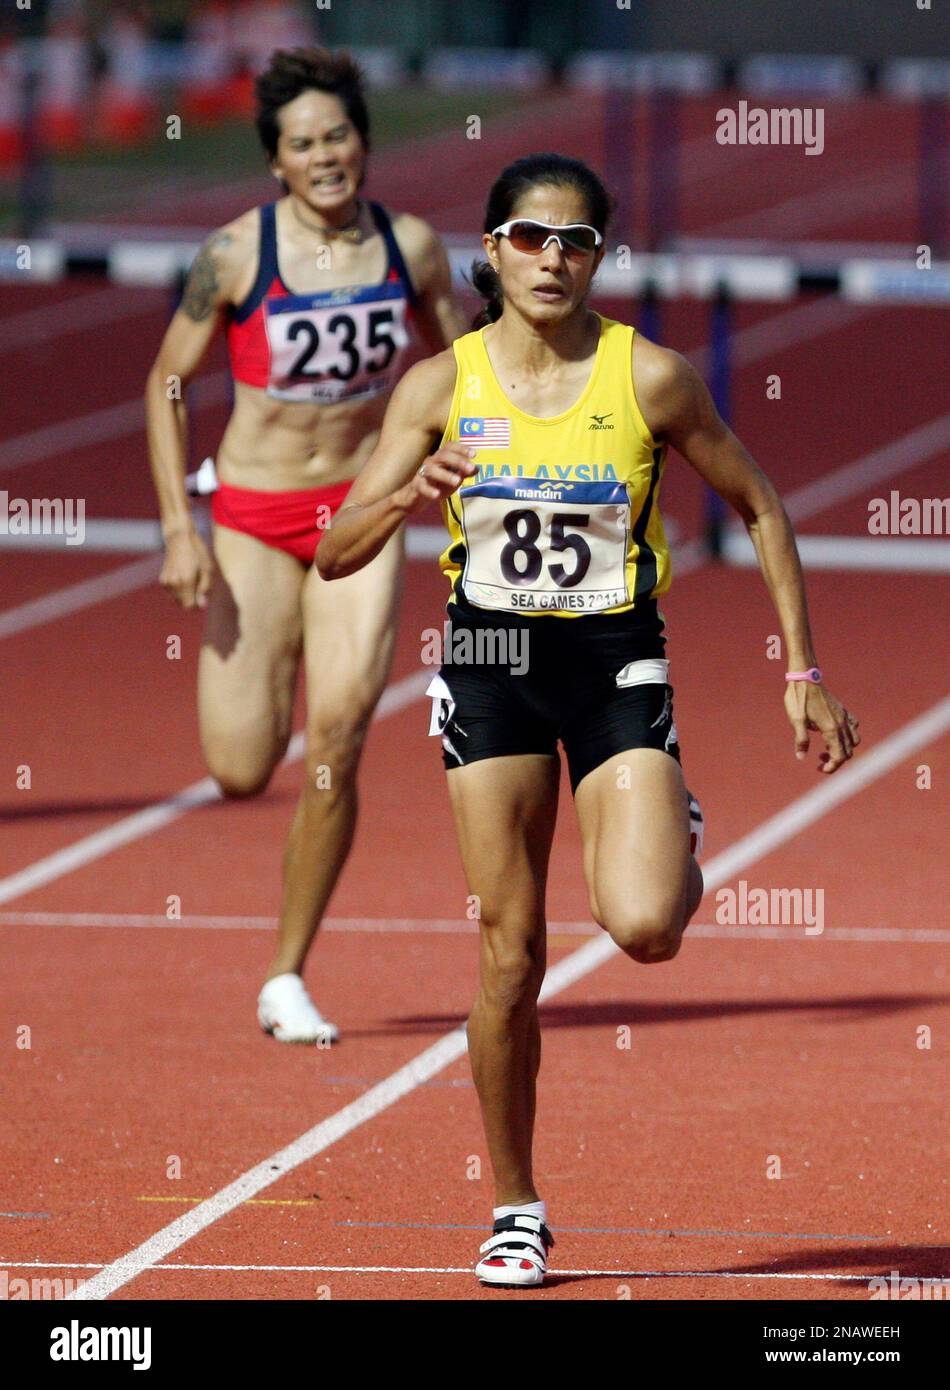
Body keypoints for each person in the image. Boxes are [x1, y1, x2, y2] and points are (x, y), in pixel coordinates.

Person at [316, 153, 860, 1286]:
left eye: (574, 241)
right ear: (490, 249)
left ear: (599, 256)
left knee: (647, 925)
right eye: (528, 236)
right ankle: (514, 1204)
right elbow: (333, 551)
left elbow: (758, 502)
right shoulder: (437, 386)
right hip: (491, 659)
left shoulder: (648, 376)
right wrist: (403, 492)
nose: (551, 259)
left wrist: (798, 666)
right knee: (509, 953)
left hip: (613, 657)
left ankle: (671, 817)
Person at [145, 47, 465, 1044]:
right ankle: (265, 667)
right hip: (250, 517)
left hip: (358, 517)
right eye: (302, 144)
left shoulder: (409, 245)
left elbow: (462, 366)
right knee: (242, 765)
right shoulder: (235, 254)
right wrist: (177, 527)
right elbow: (163, 384)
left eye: (337, 136)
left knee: (337, 740)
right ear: (275, 162)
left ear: (362, 144)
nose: (324, 156)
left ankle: (285, 973)